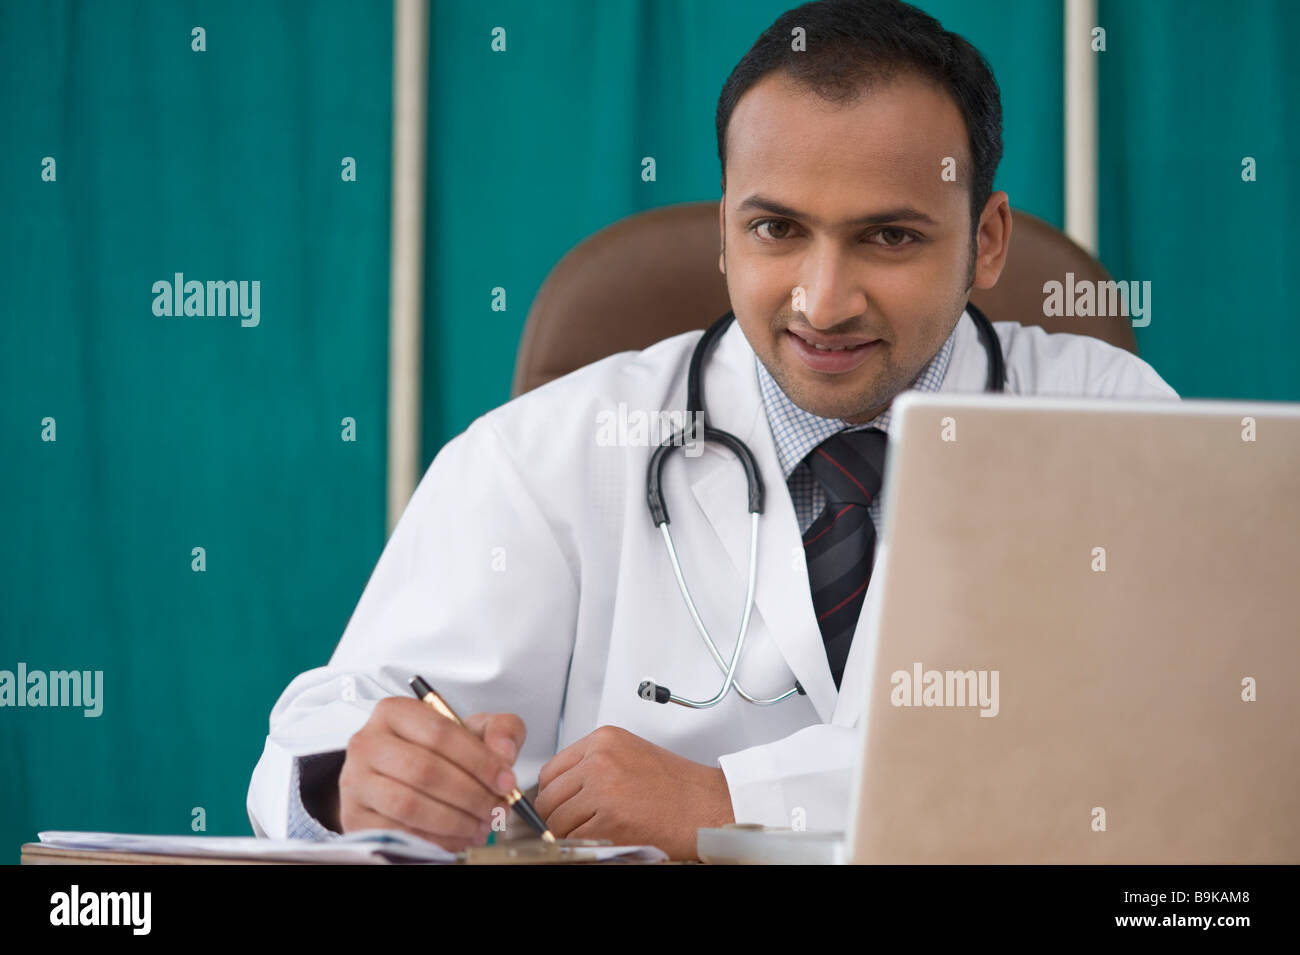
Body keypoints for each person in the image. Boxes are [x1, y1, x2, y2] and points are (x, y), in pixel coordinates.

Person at [246, 0, 1178, 861]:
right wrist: (360, 785)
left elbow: (1175, 752)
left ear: (986, 240)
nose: (825, 299)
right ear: (727, 232)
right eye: (777, 229)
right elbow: (325, 741)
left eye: (889, 237)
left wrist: (732, 797)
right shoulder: (546, 453)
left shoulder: (1109, 420)